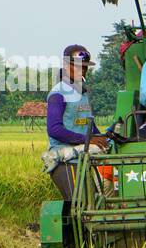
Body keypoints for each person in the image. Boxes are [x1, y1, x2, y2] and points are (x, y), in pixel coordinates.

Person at [42, 43, 109, 198]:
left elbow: (89, 125)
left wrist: (104, 137)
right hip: (66, 161)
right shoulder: (58, 94)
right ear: (66, 65)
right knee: (80, 205)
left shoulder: (82, 93)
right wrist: (88, 139)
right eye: (77, 66)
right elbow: (54, 129)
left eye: (84, 67)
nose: (82, 70)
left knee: (96, 201)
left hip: (85, 158)